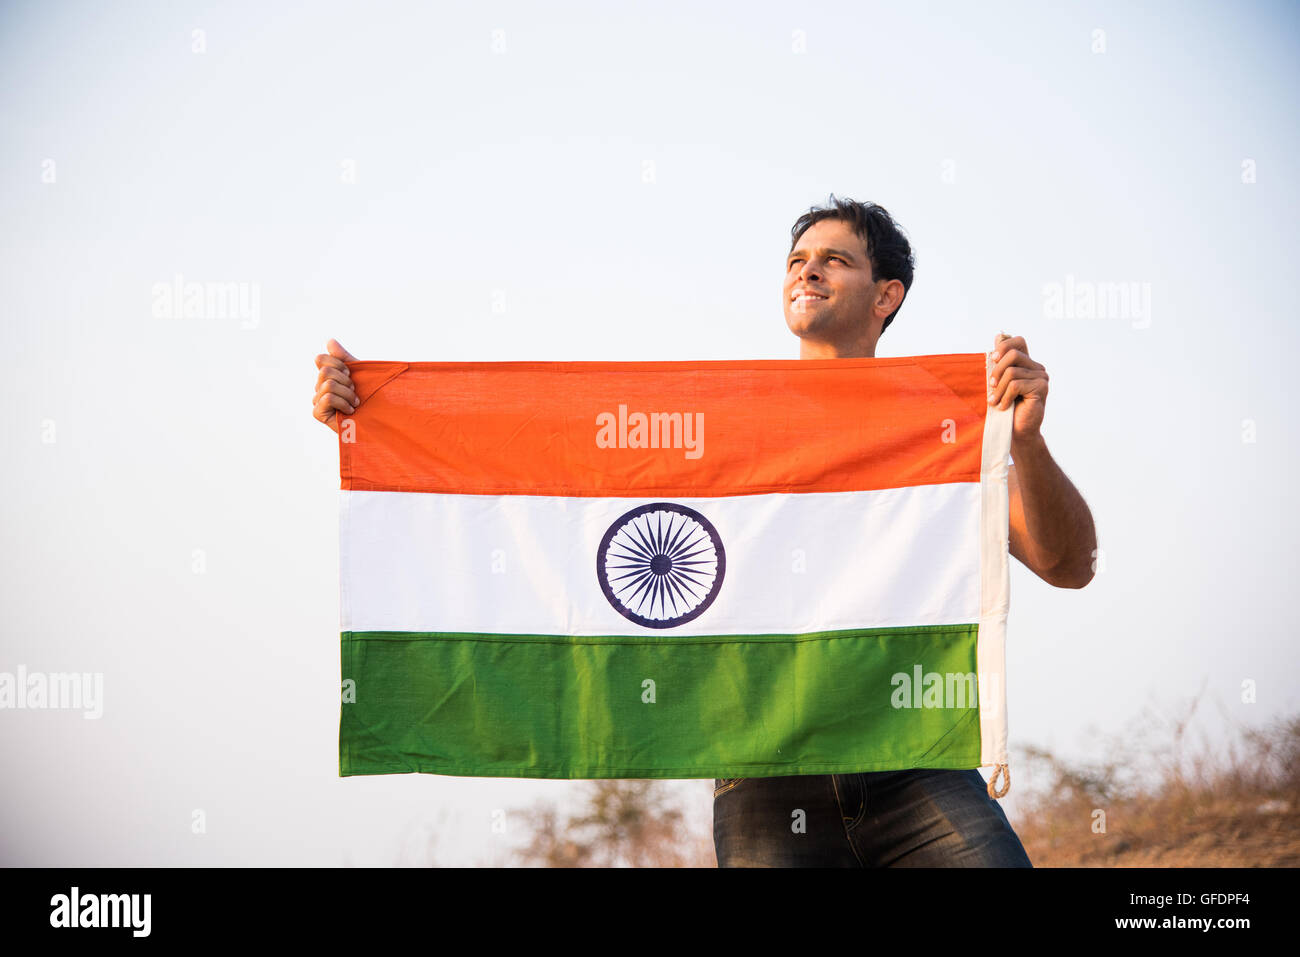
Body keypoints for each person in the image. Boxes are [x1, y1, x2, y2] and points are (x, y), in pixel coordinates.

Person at [311, 195, 1098, 867]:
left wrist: (1024, 439)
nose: (806, 269)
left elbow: (1069, 564)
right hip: (761, 776)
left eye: (834, 259)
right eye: (796, 259)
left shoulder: (944, 423)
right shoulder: (727, 424)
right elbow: (551, 461)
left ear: (887, 294)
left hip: (917, 763)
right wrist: (377, 416)